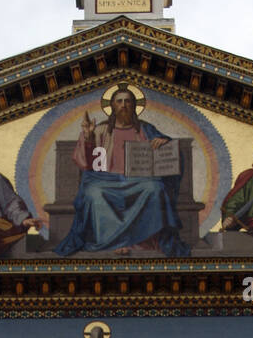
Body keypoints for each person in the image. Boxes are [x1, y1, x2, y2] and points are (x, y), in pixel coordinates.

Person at [54, 86, 189, 256]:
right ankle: (111, 243)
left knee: (155, 188)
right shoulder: (101, 130)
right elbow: (90, 165)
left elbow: (169, 148)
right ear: (112, 106)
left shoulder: (145, 129)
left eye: (128, 101)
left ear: (134, 106)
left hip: (138, 181)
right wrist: (88, 138)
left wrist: (162, 141)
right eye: (119, 101)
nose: (123, 105)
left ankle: (142, 242)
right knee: (93, 192)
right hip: (107, 180)